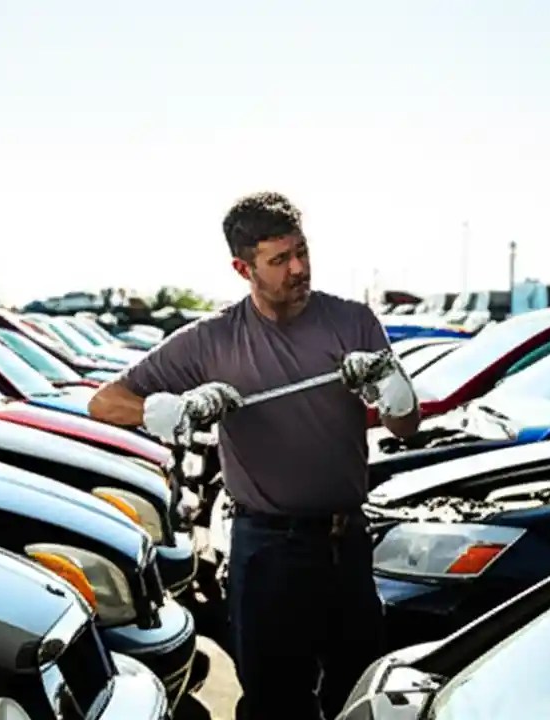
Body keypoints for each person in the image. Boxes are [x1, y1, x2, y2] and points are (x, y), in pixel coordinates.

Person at [87, 191, 420, 719]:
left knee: (359, 696)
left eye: (302, 252)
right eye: (279, 259)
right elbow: (105, 403)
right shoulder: (211, 340)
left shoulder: (353, 321)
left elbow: (407, 426)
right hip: (267, 551)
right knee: (274, 702)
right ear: (243, 267)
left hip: (346, 542)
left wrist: (390, 386)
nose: (298, 268)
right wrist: (172, 410)